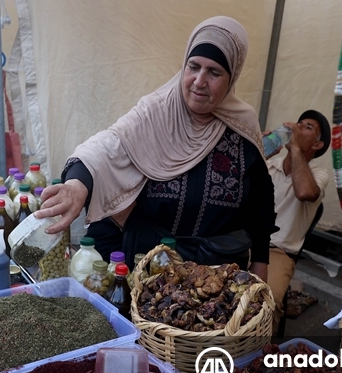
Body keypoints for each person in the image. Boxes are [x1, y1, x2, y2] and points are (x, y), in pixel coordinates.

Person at [35, 16, 274, 283]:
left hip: (215, 274)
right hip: (149, 267)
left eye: (214, 72)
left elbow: (260, 202)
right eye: (193, 67)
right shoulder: (156, 112)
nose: (199, 81)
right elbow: (106, 147)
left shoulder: (243, 125)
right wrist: (77, 184)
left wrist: (261, 262)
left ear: (232, 78)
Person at [262, 110, 331, 326]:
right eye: (298, 123)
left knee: (266, 303)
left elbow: (305, 193)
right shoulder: (269, 164)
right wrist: (256, 149)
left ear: (317, 145)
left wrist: (295, 148)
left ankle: (252, 357)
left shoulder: (318, 174)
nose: (297, 128)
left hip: (278, 251)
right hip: (244, 240)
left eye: (307, 127)